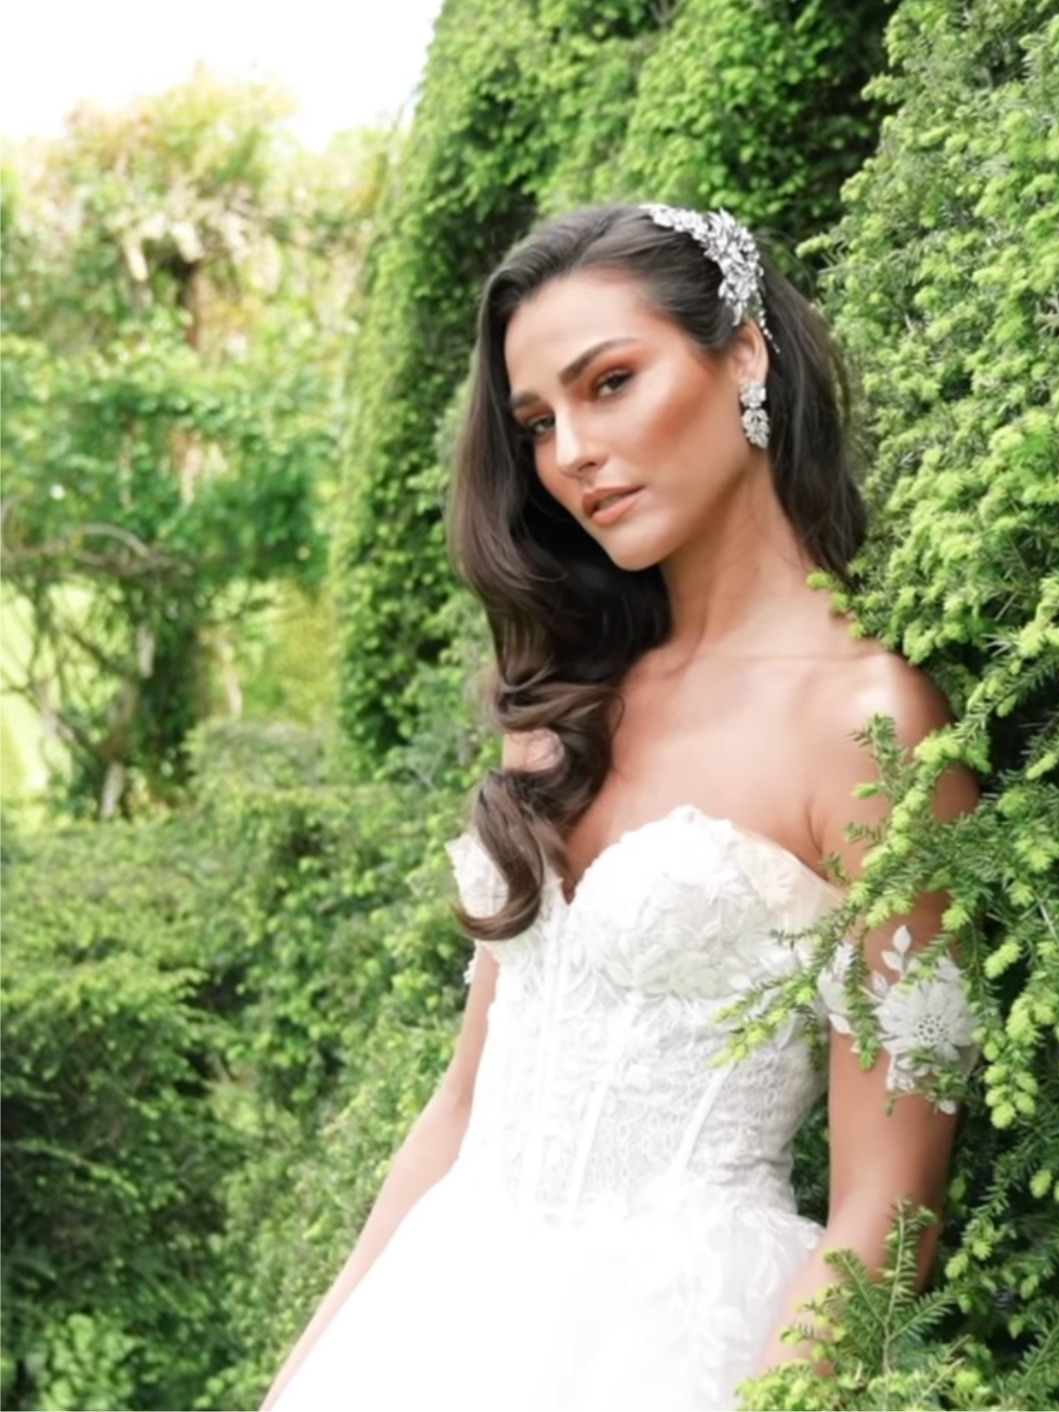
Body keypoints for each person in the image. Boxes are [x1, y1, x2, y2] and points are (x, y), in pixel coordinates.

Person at [261, 202, 979, 1412]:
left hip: (679, 1353)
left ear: (743, 354)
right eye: (539, 423)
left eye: (610, 383)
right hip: (432, 1324)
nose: (574, 453)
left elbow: (887, 1204)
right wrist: (308, 1367)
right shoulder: (566, 708)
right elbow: (462, 1104)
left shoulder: (871, 726)